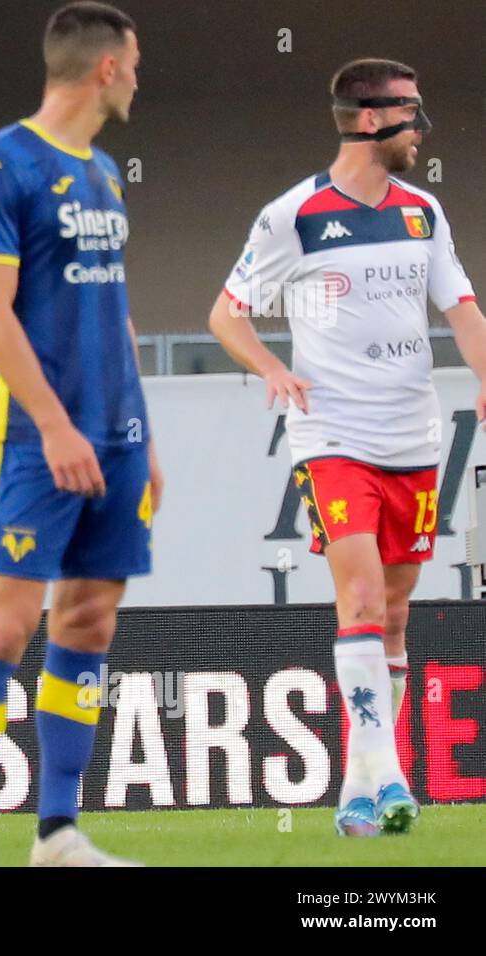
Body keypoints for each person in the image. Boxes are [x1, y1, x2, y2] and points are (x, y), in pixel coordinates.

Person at [209, 59, 483, 837]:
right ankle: (391, 776)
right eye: (412, 113)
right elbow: (228, 314)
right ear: (370, 120)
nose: (424, 129)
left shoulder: (423, 212)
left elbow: (463, 310)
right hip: (333, 436)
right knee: (360, 599)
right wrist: (272, 367)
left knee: (394, 614)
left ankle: (361, 786)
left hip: (414, 436)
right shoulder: (292, 216)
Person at [0, 2, 160, 867]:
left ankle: (58, 833)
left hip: (117, 431)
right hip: (35, 433)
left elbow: (119, 312)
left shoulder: (106, 171)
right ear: (105, 67)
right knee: (6, 624)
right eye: (135, 61)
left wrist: (147, 440)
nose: (140, 76)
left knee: (92, 619)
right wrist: (57, 424)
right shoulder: (0, 166)